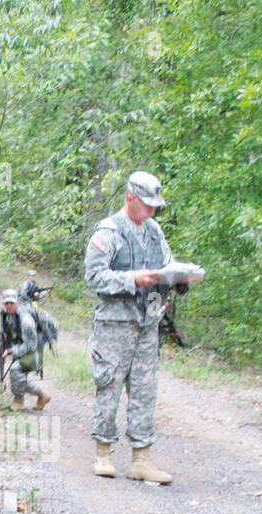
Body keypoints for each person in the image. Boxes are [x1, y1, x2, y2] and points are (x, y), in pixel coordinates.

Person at [84, 170, 196, 483]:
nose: (150, 212)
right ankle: (103, 452)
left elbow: (167, 264)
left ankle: (141, 458)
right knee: (109, 385)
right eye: (145, 205)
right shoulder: (108, 231)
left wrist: (180, 279)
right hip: (115, 323)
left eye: (154, 207)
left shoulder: (155, 231)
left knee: (145, 390)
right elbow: (94, 277)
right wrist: (132, 278)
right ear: (130, 198)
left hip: (148, 322)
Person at [0, 289, 51, 412]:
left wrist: (11, 351)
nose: (9, 306)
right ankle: (42, 395)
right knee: (18, 377)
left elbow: (31, 345)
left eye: (12, 303)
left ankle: (18, 400)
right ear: (3, 304)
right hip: (24, 346)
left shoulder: (26, 320)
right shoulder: (7, 315)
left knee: (15, 370)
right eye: (7, 303)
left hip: (34, 350)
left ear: (17, 302)